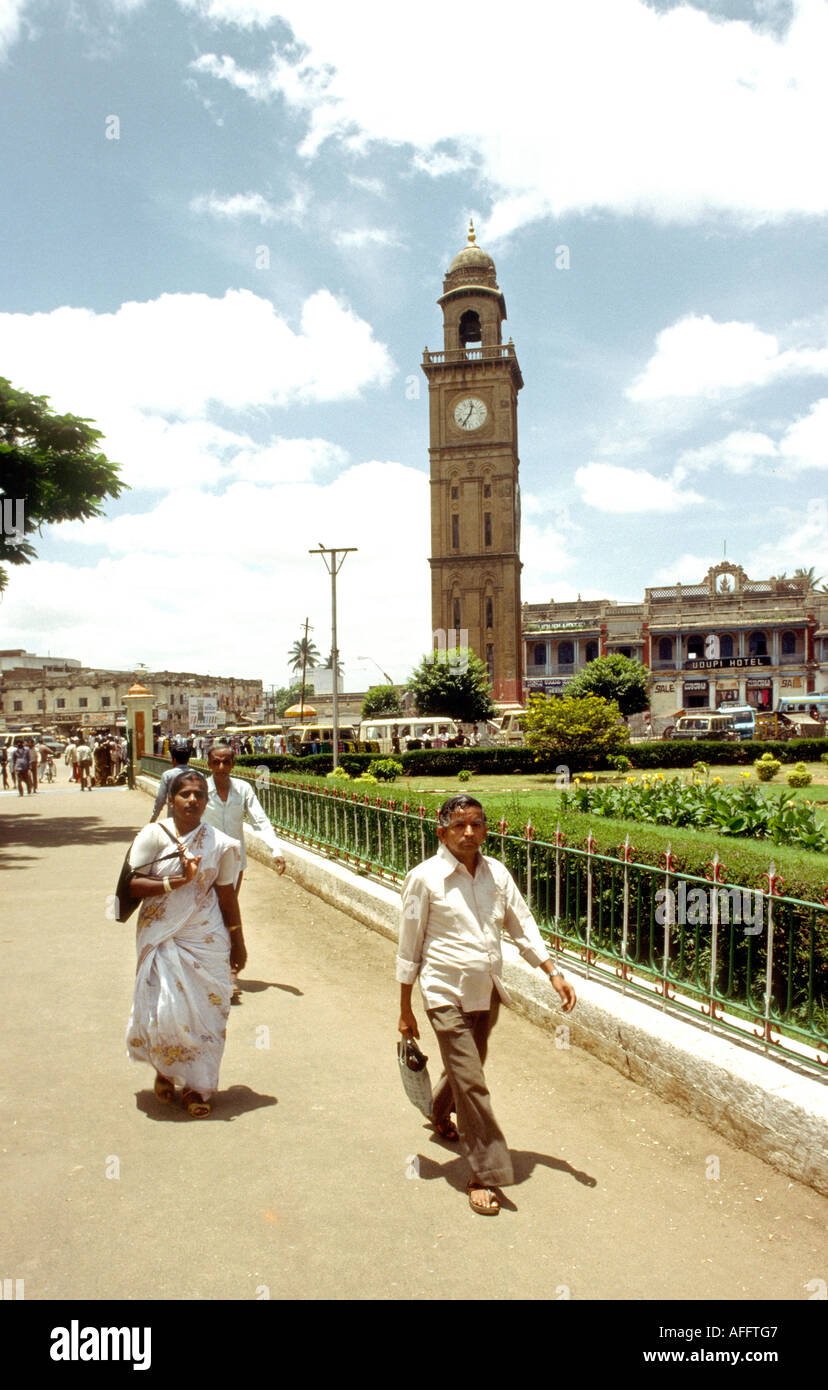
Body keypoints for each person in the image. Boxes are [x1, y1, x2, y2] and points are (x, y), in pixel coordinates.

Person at [397, 794, 576, 1217]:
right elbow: (408, 947)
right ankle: (486, 1174)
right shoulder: (424, 879)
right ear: (441, 831)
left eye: (476, 824)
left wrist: (552, 971)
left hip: (486, 991)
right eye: (459, 825)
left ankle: (439, 1112)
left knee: (468, 1067)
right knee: (473, 1082)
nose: (469, 833)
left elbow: (521, 924)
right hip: (443, 992)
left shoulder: (496, 873)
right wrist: (405, 1009)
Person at [125, 768, 245, 1117]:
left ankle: (198, 1087)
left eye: (199, 794)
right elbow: (132, 884)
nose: (193, 800)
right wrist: (176, 881)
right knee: (166, 1009)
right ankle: (166, 1069)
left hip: (206, 937)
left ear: (207, 801)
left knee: (208, 1012)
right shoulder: (153, 835)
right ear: (172, 799)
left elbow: (227, 895)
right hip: (161, 934)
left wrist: (238, 940)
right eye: (185, 794)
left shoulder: (219, 843)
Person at [202, 741, 286, 1004]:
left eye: (226, 762)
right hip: (205, 863)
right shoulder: (200, 789)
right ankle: (208, 972)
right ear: (209, 764)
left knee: (226, 914)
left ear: (233, 763)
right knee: (206, 915)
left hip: (234, 864)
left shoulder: (243, 789)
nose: (221, 767)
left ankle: (228, 974)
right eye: (216, 762)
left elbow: (259, 819)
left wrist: (276, 849)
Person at [149, 737, 193, 821]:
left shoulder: (168, 775)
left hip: (174, 818)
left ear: (174, 760)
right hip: (194, 819)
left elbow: (160, 799)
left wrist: (154, 817)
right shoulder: (198, 775)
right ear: (188, 759)